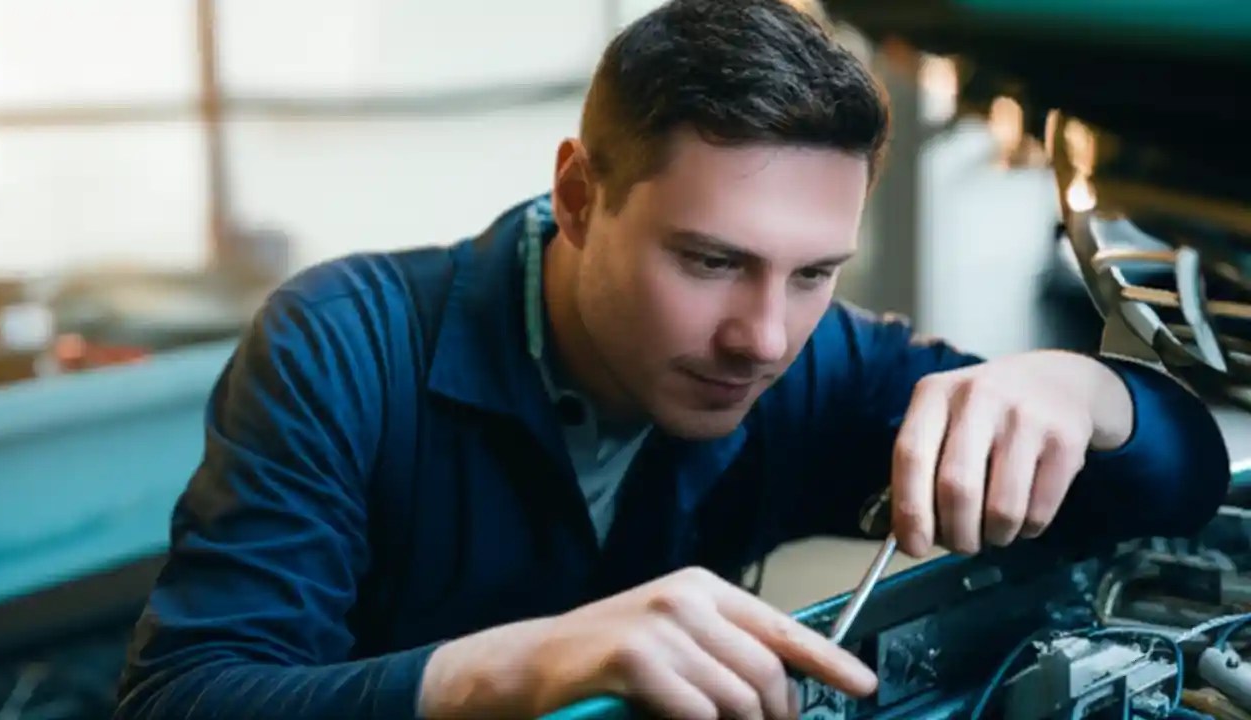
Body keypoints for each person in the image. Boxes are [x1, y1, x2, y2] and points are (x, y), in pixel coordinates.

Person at [113, 1, 1232, 718]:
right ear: (577, 197)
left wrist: (1079, 390)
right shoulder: (343, 343)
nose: (762, 338)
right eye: (707, 261)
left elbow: (1172, 491)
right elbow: (183, 696)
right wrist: (522, 664)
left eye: (812, 272)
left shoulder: (810, 363)